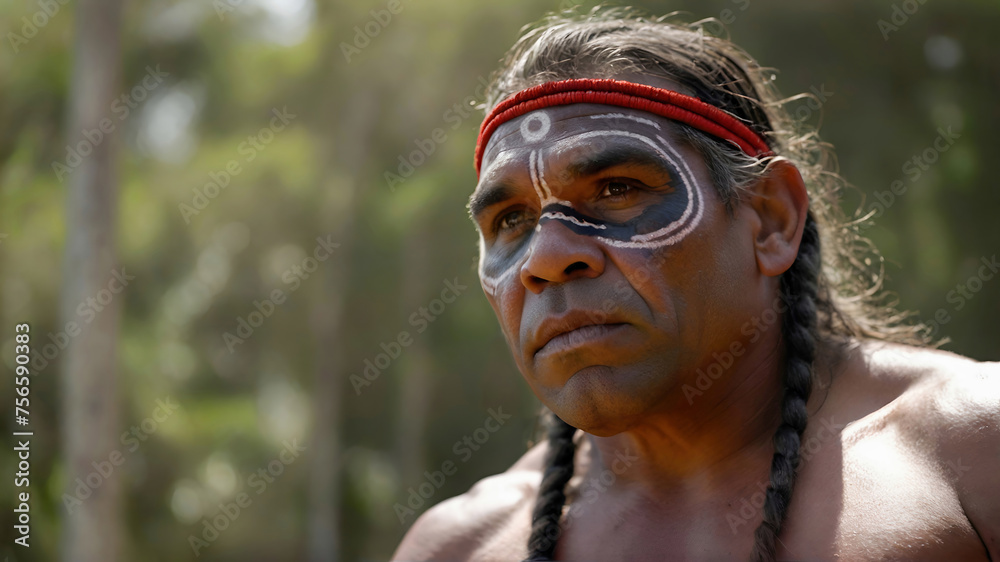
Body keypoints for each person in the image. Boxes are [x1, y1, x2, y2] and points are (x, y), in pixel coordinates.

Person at [393, 9, 998, 561]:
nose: (546, 258)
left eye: (616, 189)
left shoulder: (971, 455)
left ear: (770, 220)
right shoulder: (459, 546)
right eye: (511, 221)